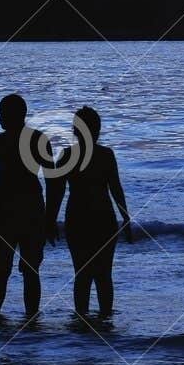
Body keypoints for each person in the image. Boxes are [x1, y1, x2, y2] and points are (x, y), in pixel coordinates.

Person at [45, 106, 132, 319]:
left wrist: (50, 221)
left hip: (78, 220)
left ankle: (81, 322)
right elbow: (116, 189)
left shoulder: (66, 156)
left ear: (75, 130)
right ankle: (105, 320)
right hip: (103, 219)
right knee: (103, 276)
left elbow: (56, 194)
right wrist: (126, 218)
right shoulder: (105, 155)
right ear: (97, 130)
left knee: (82, 274)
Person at [0, 94, 55, 319]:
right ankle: (30, 319)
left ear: (13, 115)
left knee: (2, 272)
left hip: (7, 211)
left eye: (2, 114)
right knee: (29, 271)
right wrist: (51, 217)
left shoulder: (1, 141)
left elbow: (50, 177)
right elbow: (51, 179)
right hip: (30, 209)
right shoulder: (37, 139)